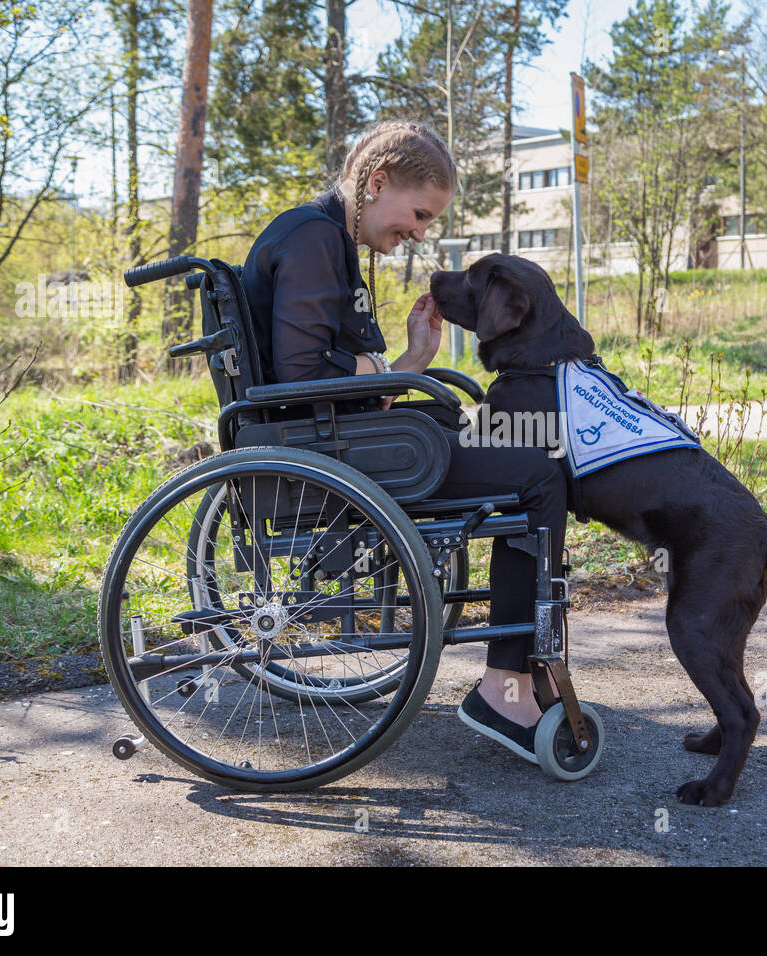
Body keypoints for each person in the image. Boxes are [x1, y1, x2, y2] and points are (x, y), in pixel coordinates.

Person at [241, 120, 568, 763]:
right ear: (376, 182)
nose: (419, 234)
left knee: (533, 448)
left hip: (348, 436)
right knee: (539, 473)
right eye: (418, 214)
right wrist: (380, 373)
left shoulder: (332, 241)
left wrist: (413, 358)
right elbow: (304, 379)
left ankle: (524, 668)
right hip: (326, 453)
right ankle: (507, 687)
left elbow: (351, 387)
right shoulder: (311, 239)